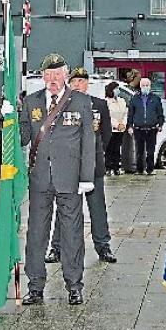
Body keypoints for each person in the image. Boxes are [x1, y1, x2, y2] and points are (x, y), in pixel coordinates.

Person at [18, 54, 96, 306]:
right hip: (40, 177)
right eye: (48, 75)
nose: (52, 79)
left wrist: (86, 177)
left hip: (70, 179)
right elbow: (21, 137)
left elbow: (88, 141)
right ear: (42, 76)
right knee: (36, 233)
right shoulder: (32, 102)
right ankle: (35, 286)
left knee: (72, 233)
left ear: (66, 75)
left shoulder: (81, 101)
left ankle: (74, 285)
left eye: (57, 74)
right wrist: (5, 119)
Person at [47, 67, 116, 264]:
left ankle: (103, 247)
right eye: (74, 81)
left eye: (81, 81)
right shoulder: (62, 104)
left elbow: (106, 135)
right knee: (65, 209)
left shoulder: (99, 105)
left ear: (87, 83)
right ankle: (57, 248)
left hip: (93, 165)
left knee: (97, 209)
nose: (78, 84)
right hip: (68, 167)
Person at [127, 77, 164, 175]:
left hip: (152, 129)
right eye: (143, 85)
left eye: (147, 85)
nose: (145, 87)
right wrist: (130, 126)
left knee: (150, 151)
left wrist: (160, 124)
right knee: (139, 151)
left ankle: (150, 169)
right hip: (138, 129)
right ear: (140, 86)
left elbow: (160, 113)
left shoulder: (156, 99)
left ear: (150, 86)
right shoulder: (134, 99)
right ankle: (139, 170)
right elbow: (130, 114)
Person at [105, 81, 128, 176]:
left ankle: (116, 167)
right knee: (109, 148)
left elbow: (126, 113)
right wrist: (116, 124)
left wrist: (123, 124)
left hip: (120, 129)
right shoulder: (107, 102)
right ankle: (108, 168)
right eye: (116, 89)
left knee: (117, 149)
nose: (117, 91)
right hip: (111, 129)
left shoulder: (122, 101)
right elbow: (107, 116)